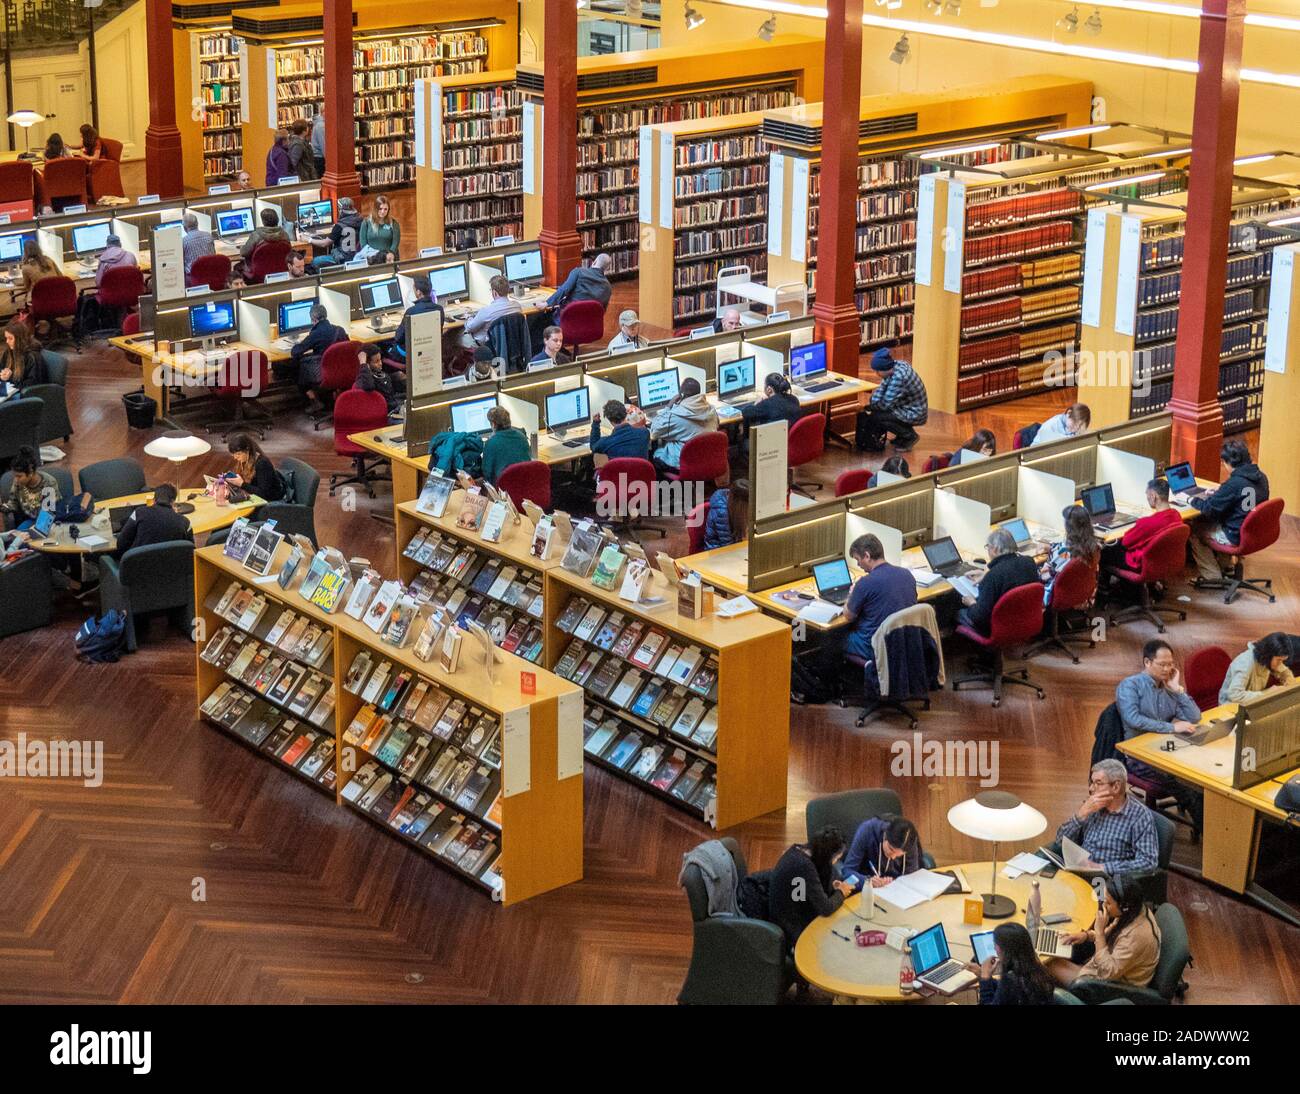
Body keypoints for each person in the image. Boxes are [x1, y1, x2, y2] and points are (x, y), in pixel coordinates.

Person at [1116, 639, 1204, 827]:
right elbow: (1133, 719)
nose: (1166, 669)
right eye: (1162, 664)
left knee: (1201, 779)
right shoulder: (1130, 686)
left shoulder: (1169, 688)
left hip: (1167, 750)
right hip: (1140, 757)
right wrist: (1172, 728)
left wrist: (1178, 690)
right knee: (1187, 788)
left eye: (1170, 664)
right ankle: (1208, 830)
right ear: (1147, 662)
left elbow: (1194, 716)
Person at [1052, 873, 1162, 990]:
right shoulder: (1132, 911)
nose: (1104, 905)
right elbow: (1111, 933)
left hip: (1115, 986)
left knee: (1046, 964)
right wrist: (1086, 935)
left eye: (1108, 903)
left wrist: (1099, 932)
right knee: (1056, 952)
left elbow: (1108, 972)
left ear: (1124, 906)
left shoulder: (1136, 937)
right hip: (1110, 965)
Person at [1054, 758, 1159, 875]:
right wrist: (1081, 815)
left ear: (1116, 787)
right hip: (1078, 870)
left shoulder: (1139, 816)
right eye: (1091, 782)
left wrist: (1101, 867)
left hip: (1107, 880)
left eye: (1098, 783)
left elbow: (1148, 862)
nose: (1091, 789)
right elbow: (1059, 842)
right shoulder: (1091, 807)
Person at [1188, 438, 1269, 583]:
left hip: (1234, 535)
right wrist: (1222, 490)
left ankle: (1212, 577)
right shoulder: (1261, 477)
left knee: (1195, 530)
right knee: (1216, 521)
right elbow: (1242, 492)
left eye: (1224, 463)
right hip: (1253, 532)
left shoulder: (1234, 484)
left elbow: (1208, 509)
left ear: (1230, 463)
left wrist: (1189, 500)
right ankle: (1226, 566)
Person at [766, 826, 854, 951]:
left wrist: (832, 887)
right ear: (828, 856)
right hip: (791, 927)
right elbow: (826, 908)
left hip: (796, 907)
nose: (835, 862)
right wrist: (841, 892)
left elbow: (817, 884)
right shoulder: (804, 866)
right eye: (836, 858)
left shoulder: (799, 850)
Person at [957, 527, 1040, 637]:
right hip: (1024, 619)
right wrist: (986, 574)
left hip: (996, 627)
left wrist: (971, 603)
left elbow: (979, 617)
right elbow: (1010, 574)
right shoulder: (1029, 562)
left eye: (988, 547)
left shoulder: (994, 575)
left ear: (995, 549)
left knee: (957, 611)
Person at [1101, 477, 1182, 572]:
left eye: (1147, 495)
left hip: (1139, 562)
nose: (1147, 498)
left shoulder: (1147, 523)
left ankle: (1111, 585)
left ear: (1153, 496)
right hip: (1162, 560)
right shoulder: (1176, 515)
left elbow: (1126, 542)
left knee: (1105, 549)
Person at [859, 347, 928, 452]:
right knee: (877, 411)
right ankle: (901, 435)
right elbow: (882, 389)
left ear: (883, 369)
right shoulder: (896, 365)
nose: (876, 374)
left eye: (877, 371)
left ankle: (909, 436)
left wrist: (868, 407)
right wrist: (873, 402)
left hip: (915, 412)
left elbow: (885, 405)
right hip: (905, 406)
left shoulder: (899, 378)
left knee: (879, 417)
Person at [973, 923, 1057, 1006]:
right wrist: (987, 979)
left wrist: (985, 979)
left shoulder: (1011, 981)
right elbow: (1004, 991)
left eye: (995, 945)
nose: (994, 948)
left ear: (1001, 949)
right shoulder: (1037, 970)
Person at [649, 377, 718, 475]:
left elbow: (654, 432)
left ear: (681, 395)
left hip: (682, 463)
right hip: (706, 458)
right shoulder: (712, 410)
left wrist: (668, 406)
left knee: (654, 454)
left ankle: (666, 489)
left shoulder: (675, 415)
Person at [1041, 504, 1100, 606]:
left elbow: (1045, 576)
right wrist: (1052, 547)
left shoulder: (1064, 553)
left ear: (1069, 527)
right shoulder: (1094, 545)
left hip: (1058, 595)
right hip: (1084, 591)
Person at [286, 302, 346, 401]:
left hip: (320, 370)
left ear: (313, 320)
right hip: (339, 369)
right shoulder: (340, 330)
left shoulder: (316, 333)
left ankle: (312, 397)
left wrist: (297, 344)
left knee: (293, 364)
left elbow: (295, 352)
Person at [841, 814, 924, 885]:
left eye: (899, 855)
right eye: (891, 849)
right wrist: (867, 881)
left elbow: (912, 876)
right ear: (885, 836)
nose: (893, 857)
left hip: (896, 890)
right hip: (867, 890)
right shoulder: (867, 830)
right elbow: (847, 871)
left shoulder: (909, 841)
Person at [1220, 632, 1296, 704]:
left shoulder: (1268, 659)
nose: (1280, 663)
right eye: (1279, 660)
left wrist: (1290, 683)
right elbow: (1235, 695)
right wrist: (1267, 693)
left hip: (1252, 702)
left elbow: (1284, 672)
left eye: (1283, 660)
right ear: (1269, 654)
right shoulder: (1245, 663)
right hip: (1230, 706)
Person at [115, 484, 193, 553]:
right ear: (173, 502)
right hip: (172, 568)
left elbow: (121, 544)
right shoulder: (185, 522)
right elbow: (190, 550)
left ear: (154, 500)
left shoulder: (139, 513)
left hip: (138, 566)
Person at [0, 446, 59, 527]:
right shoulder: (17, 482)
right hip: (29, 520)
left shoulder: (49, 483)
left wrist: (34, 531)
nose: (16, 480)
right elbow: (13, 504)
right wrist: (3, 507)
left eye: (19, 476)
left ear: (30, 472)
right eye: (15, 476)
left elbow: (48, 514)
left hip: (47, 521)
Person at [391, 274, 443, 363]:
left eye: (414, 288)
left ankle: (394, 376)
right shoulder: (439, 309)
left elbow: (398, 338)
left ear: (418, 292)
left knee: (383, 345)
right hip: (430, 351)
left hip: (410, 354)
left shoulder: (411, 311)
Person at [226, 432, 285, 502]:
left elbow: (264, 494)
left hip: (271, 500)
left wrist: (242, 484)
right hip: (257, 495)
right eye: (233, 455)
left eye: (238, 454)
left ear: (247, 450)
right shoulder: (245, 459)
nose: (235, 458)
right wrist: (231, 480)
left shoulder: (262, 464)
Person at [481, 405, 531, 485]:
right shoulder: (522, 436)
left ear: (493, 424)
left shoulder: (491, 443)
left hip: (504, 490)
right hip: (525, 485)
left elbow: (487, 473)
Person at [465, 274, 523, 344]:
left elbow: (469, 328)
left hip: (489, 346)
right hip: (511, 344)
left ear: (494, 292)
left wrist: (469, 317)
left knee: (458, 338)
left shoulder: (486, 311)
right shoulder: (517, 306)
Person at [547, 253, 612, 312]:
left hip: (568, 318)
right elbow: (602, 311)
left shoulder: (579, 272)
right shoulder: (608, 287)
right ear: (606, 268)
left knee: (541, 317)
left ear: (594, 262)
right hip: (589, 322)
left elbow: (564, 290)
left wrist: (547, 303)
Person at [311, 196, 363, 269]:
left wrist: (309, 239)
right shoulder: (361, 221)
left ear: (341, 210)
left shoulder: (339, 226)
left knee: (315, 261)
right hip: (357, 257)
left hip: (342, 258)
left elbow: (324, 244)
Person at [355, 343, 405, 415]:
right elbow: (369, 386)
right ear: (367, 364)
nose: (380, 363)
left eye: (380, 360)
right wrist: (363, 363)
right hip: (388, 412)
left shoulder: (380, 373)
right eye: (376, 361)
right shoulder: (363, 378)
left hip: (397, 404)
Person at [0, 319, 47, 391]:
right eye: (6, 338)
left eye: (10, 338)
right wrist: (2, 374)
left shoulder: (33, 357)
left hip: (26, 395)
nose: (7, 341)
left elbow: (31, 386)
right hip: (12, 389)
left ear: (20, 339)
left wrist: (10, 378)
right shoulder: (9, 352)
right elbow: (1, 368)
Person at [703, 478, 748, 550]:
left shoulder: (732, 500)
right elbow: (728, 547)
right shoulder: (722, 514)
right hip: (717, 551)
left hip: (736, 545)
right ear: (741, 505)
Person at [359, 195, 400, 263]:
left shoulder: (394, 223)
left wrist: (391, 253)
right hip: (372, 259)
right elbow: (363, 243)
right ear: (375, 208)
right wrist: (375, 256)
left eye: (385, 209)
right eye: (380, 208)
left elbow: (395, 242)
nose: (383, 211)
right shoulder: (366, 222)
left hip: (388, 258)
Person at [182, 212, 215, 278]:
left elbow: (181, 262)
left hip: (193, 277)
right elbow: (214, 254)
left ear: (184, 228)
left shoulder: (183, 241)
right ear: (197, 224)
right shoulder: (208, 236)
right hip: (211, 274)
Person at [310, 113, 326, 178]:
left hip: (318, 157)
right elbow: (324, 145)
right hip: (320, 158)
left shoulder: (319, 124)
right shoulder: (321, 126)